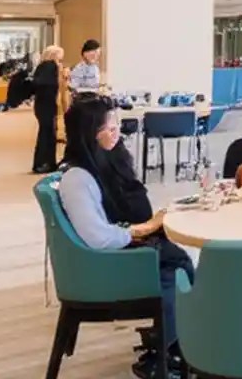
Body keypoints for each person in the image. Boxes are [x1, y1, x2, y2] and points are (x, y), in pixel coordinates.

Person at [58, 97, 193, 379]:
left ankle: (173, 345)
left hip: (120, 252)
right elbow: (97, 237)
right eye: (109, 128)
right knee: (175, 265)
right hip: (108, 267)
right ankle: (166, 352)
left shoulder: (105, 161)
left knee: (178, 258)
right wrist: (143, 229)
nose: (116, 133)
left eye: (117, 125)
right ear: (88, 133)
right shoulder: (77, 178)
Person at [31, 46, 63, 174]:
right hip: (47, 103)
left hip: (41, 103)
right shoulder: (51, 66)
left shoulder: (41, 67)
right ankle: (45, 162)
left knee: (46, 133)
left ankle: (43, 162)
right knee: (48, 133)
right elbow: (50, 85)